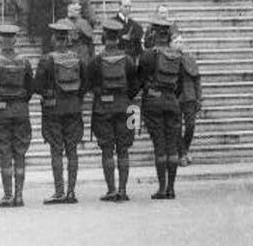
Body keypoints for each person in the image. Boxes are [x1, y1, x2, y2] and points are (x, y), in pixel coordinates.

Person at [0, 23, 35, 207]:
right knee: (20, 153)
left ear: (0, 40)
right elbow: (30, 88)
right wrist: (19, 100)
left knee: (4, 152)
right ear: (15, 40)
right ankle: (19, 196)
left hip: (1, 112)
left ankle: (8, 195)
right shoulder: (25, 62)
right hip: (20, 110)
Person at [86, 19, 137, 202]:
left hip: (103, 110)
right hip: (125, 108)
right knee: (124, 150)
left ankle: (111, 190)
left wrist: (101, 93)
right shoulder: (128, 60)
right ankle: (123, 190)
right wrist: (125, 97)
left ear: (103, 37)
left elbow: (89, 84)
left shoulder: (96, 61)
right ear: (118, 39)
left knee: (107, 150)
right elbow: (135, 85)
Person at [36, 20, 85, 204]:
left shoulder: (47, 59)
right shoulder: (77, 58)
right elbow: (85, 83)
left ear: (54, 39)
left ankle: (59, 191)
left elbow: (37, 85)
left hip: (53, 110)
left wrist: (47, 94)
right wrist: (75, 98)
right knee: (72, 150)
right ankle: (71, 192)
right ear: (68, 40)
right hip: (73, 108)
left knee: (56, 150)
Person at [136, 15, 186, 200]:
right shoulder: (178, 56)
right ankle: (172, 188)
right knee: (172, 145)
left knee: (159, 145)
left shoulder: (148, 54)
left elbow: (140, 80)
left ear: (155, 33)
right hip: (172, 101)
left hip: (153, 101)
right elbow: (181, 84)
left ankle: (162, 188)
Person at [177, 37, 204, 167]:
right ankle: (182, 154)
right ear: (170, 44)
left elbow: (197, 80)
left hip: (189, 97)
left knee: (190, 126)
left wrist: (199, 98)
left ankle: (185, 149)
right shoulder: (167, 59)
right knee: (176, 127)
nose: (178, 44)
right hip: (175, 97)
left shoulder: (189, 59)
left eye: (181, 42)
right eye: (176, 42)